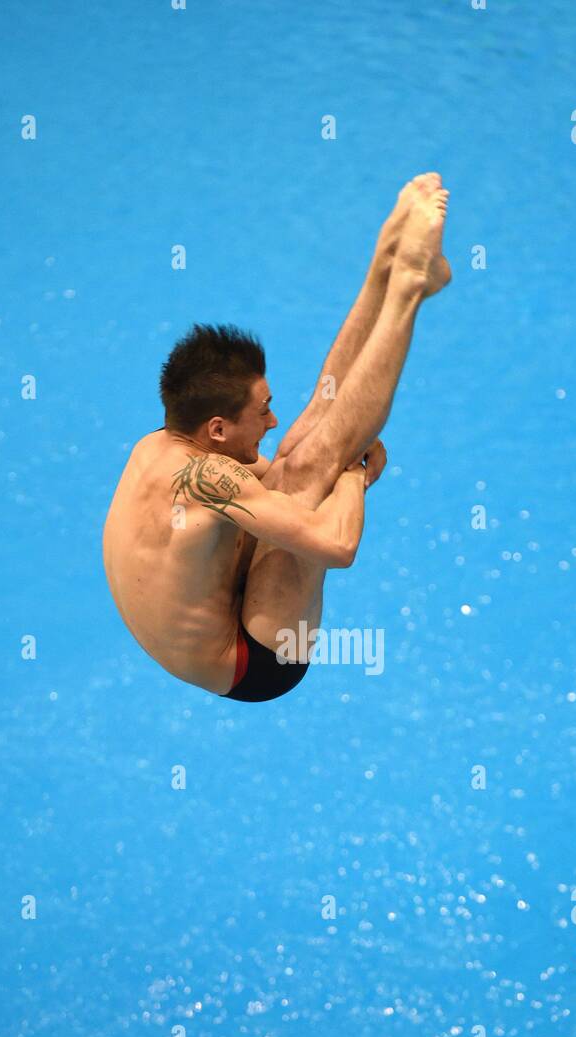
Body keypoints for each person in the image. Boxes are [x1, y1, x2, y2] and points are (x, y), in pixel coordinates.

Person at [103, 174, 450, 702]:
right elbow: (338, 546)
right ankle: (407, 290)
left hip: (210, 602)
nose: (271, 421)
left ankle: (385, 267)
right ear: (216, 429)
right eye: (262, 411)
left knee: (295, 457)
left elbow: (300, 439)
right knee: (313, 470)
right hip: (255, 661)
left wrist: (336, 456)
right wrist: (354, 474)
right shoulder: (207, 478)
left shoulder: (159, 446)